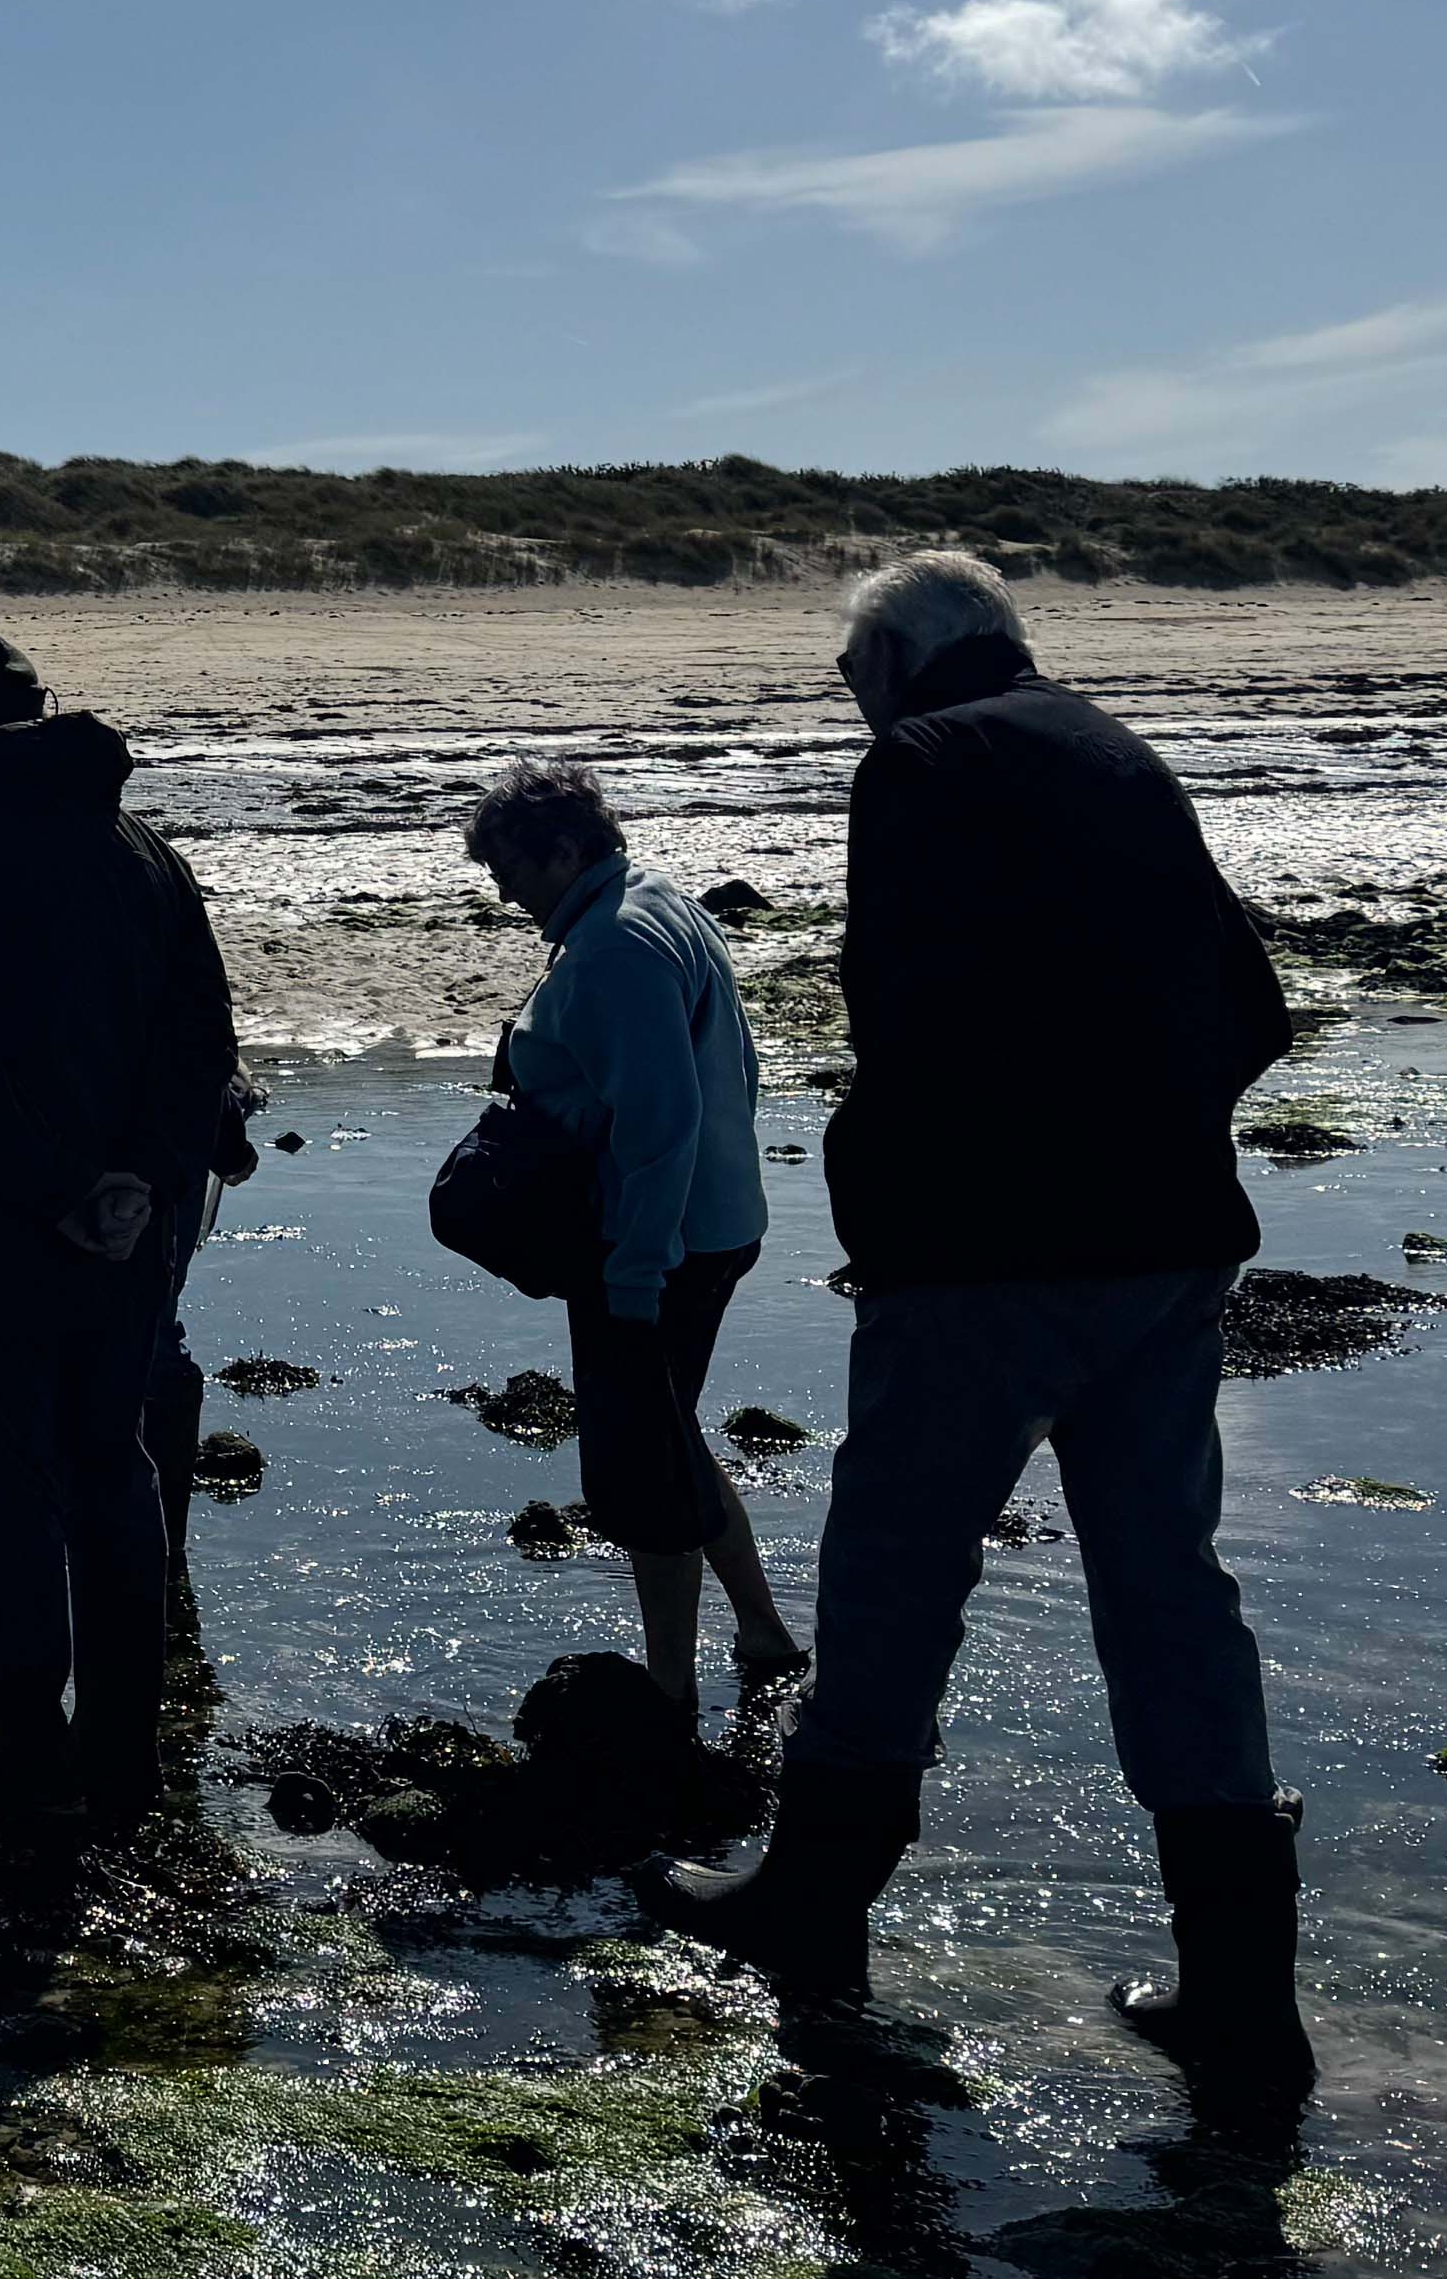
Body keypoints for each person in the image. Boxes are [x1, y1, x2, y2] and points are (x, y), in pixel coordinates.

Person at [650, 553, 1312, 2106]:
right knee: (1168, 1594)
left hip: (990, 1254)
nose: (848, 706)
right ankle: (1244, 2001)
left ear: (894, 657)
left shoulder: (922, 761)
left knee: (893, 1569)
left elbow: (906, 1002)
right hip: (1169, 1247)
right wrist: (1158, 1132)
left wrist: (897, 1190)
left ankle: (811, 1904)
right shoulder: (1118, 753)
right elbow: (1257, 1006)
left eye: (846, 678)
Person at [0, 631, 236, 1818]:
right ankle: (127, 1754)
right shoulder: (141, 848)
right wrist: (137, 1183)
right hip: (127, 1233)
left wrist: (65, 1185)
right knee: (108, 1465)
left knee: (9, 1489)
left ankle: (27, 1757)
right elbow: (203, 1046)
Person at [464, 757, 807, 1715]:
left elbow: (661, 1126)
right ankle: (764, 1630)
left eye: (514, 873)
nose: (508, 896)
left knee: (646, 1471)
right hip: (713, 1222)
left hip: (663, 1244)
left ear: (567, 850)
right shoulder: (654, 898)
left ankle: (670, 1688)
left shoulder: (615, 946)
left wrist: (634, 1276)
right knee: (671, 1438)